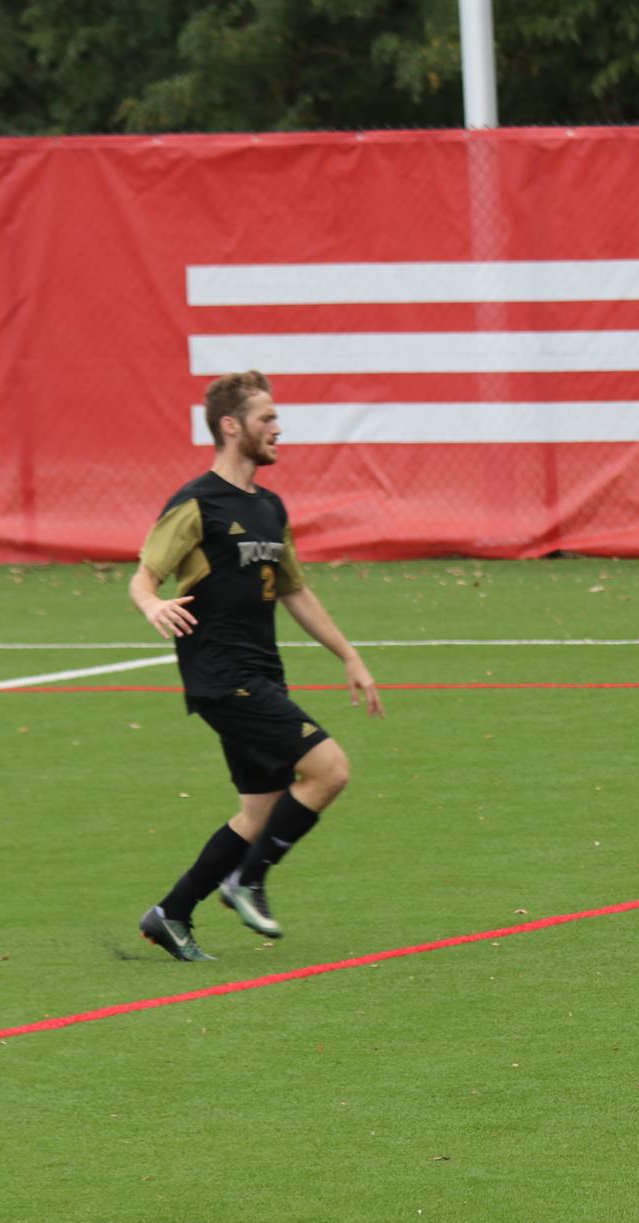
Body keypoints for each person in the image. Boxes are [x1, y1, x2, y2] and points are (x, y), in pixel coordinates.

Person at [128, 371, 384, 961]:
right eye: (266, 418)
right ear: (230, 426)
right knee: (329, 770)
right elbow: (143, 577)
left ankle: (171, 913)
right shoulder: (197, 503)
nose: (278, 428)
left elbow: (294, 591)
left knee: (260, 811)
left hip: (261, 674)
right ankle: (247, 880)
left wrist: (348, 655)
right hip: (222, 677)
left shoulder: (270, 507)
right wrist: (152, 604)